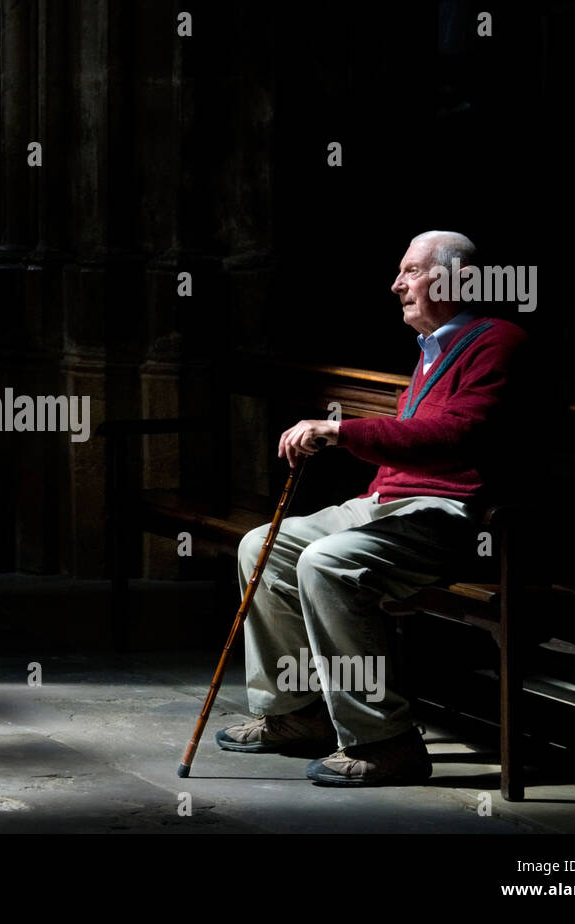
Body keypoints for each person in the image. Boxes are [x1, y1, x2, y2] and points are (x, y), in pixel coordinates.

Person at [218, 230, 530, 786]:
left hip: (448, 514)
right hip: (387, 505)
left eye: (410, 271)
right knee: (259, 546)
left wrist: (341, 431)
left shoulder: (496, 341)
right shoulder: (433, 349)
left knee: (327, 563)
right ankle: (294, 712)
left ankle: (385, 742)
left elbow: (457, 434)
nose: (397, 284)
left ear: (455, 278)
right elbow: (413, 442)